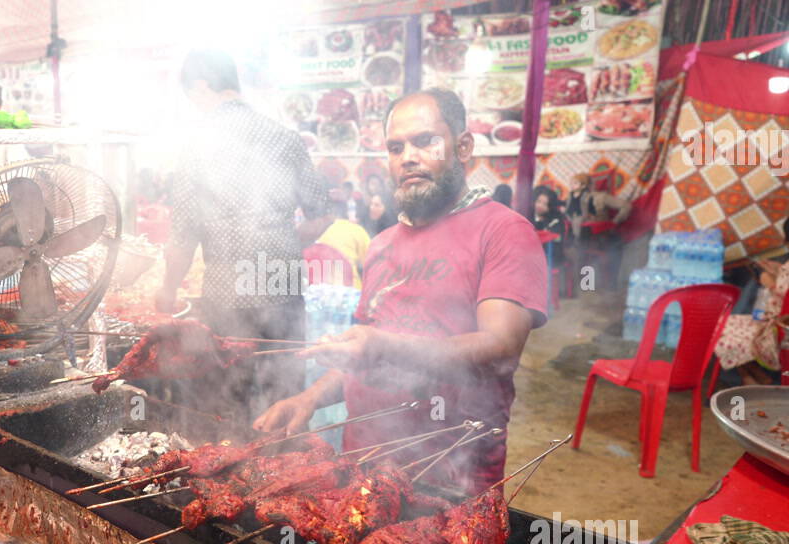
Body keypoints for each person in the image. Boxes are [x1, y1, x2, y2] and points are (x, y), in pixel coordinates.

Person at [253, 88, 548, 495]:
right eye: (395, 147)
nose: (408, 156)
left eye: (425, 141)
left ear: (463, 147)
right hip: (363, 473)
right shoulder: (382, 244)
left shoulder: (503, 231)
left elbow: (501, 346)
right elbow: (362, 357)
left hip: (449, 481)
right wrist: (310, 398)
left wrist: (381, 345)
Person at [156, 49, 328, 422]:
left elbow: (183, 236)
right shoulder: (284, 135)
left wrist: (167, 290)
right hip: (284, 286)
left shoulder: (197, 142)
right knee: (283, 398)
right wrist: (279, 244)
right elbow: (323, 215)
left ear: (201, 86)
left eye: (192, 96)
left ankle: (230, 468)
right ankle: (287, 468)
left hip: (227, 294)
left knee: (223, 403)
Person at [714, 220, 789, 384]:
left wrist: (770, 280)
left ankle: (748, 376)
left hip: (777, 333)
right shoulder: (786, 267)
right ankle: (755, 376)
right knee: (728, 324)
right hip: (777, 325)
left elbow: (781, 296)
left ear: (785, 241)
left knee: (721, 328)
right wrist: (777, 272)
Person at [315, 192, 371, 288]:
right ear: (346, 209)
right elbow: (371, 264)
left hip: (324, 294)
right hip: (353, 292)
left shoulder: (317, 231)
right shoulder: (356, 230)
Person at [530, 185, 568, 267]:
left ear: (550, 207)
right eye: (538, 201)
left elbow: (556, 240)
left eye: (545, 204)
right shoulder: (530, 215)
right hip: (532, 255)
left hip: (551, 256)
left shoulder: (556, 219)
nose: (540, 206)